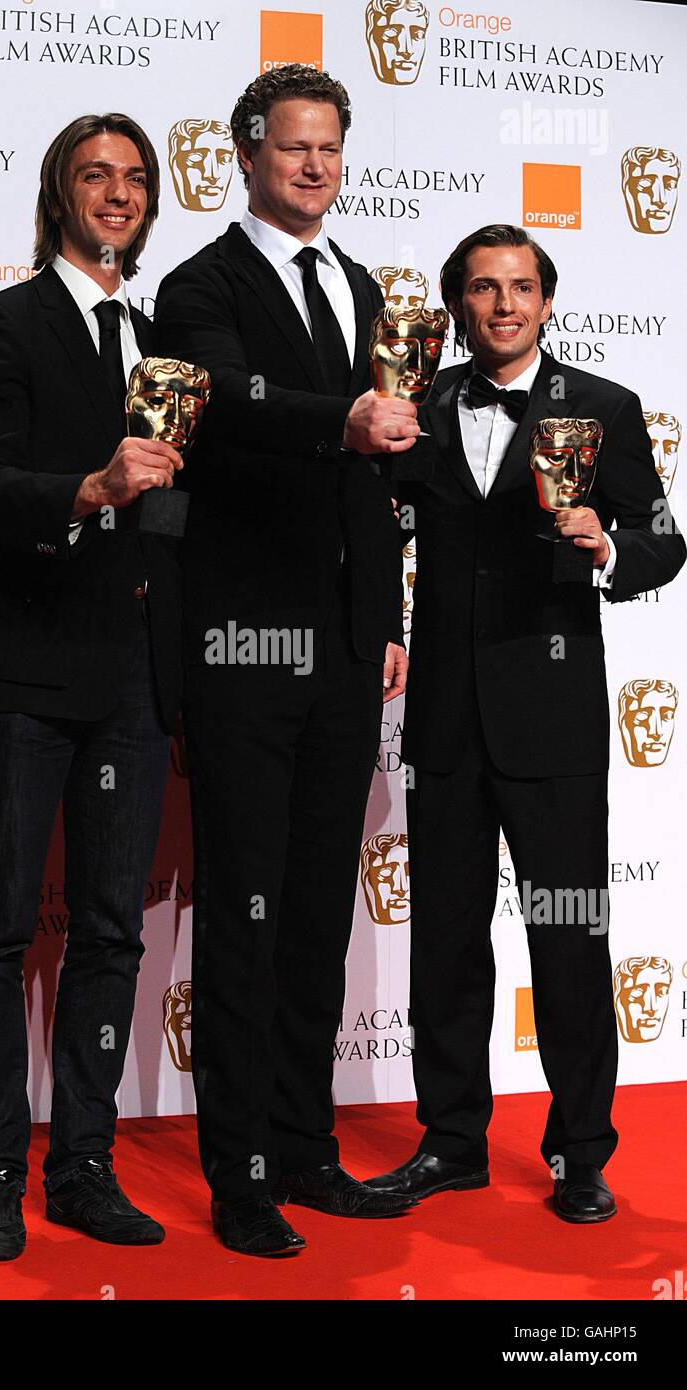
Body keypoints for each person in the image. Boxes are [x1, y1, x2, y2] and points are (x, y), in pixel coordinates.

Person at [365, 224, 686, 1223]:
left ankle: (580, 1153)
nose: (501, 304)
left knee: (568, 937)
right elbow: (376, 533)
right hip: (445, 725)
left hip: (549, 719)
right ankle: (451, 1139)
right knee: (446, 944)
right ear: (458, 306)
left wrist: (606, 545)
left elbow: (664, 542)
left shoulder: (601, 407)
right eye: (481, 288)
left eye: (518, 287)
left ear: (546, 301)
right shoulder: (413, 409)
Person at [154, 64, 421, 1256]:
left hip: (346, 644)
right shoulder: (198, 283)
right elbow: (219, 401)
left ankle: (305, 1145)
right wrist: (342, 417)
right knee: (248, 909)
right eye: (293, 148)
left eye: (329, 149)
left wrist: (391, 614)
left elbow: (379, 468)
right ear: (246, 153)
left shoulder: (359, 284)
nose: (314, 167)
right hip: (241, 641)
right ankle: (241, 1169)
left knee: (316, 906)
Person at [0, 113, 184, 1260]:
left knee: (108, 932)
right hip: (20, 666)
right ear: (59, 193)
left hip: (132, 677)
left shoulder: (165, 338)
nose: (119, 192)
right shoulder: (3, 323)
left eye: (136, 177)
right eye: (97, 174)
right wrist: (89, 488)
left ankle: (81, 1164)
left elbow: (184, 514)